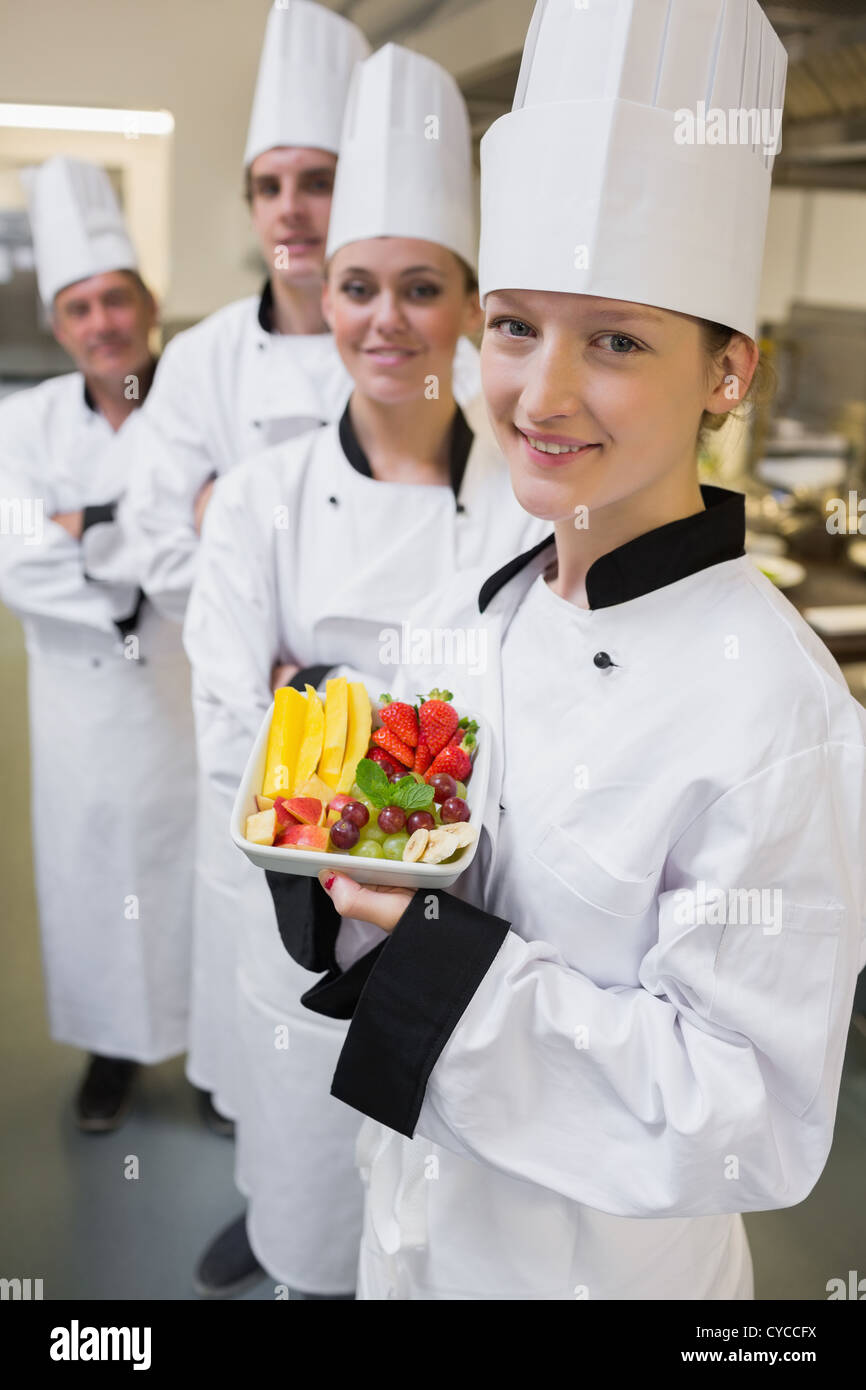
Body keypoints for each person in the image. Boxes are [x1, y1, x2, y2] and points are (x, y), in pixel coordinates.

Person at [268, 0, 866, 1299]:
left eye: (614, 340)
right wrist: (348, 854)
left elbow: (747, 1113)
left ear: (728, 374)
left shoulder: (777, 711)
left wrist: (430, 966)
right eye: (515, 324)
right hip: (419, 1212)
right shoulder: (507, 592)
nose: (537, 395)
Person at [183, 42, 550, 1299]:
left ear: (464, 303)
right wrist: (396, 747)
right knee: (301, 1156)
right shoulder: (261, 499)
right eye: (356, 287)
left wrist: (324, 707)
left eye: (419, 286)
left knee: (435, 1202)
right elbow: (235, 718)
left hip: (471, 907)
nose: (385, 320)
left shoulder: (528, 498)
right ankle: (290, 1258)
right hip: (297, 903)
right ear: (324, 300)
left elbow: (533, 717)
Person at [113, 0, 373, 1145]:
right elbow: (154, 524)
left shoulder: (425, 354)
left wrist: (238, 509)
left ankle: (346, 1222)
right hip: (246, 726)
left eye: (315, 180)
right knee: (255, 964)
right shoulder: (208, 358)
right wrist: (240, 625)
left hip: (390, 732)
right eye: (269, 185)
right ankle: (272, 1195)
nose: (291, 208)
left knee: (373, 973)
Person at [0, 157, 196, 1131]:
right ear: (59, 325)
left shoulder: (196, 411)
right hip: (80, 706)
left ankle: (212, 1062)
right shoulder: (22, 423)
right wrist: (140, 549)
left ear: (147, 303)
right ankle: (108, 1054)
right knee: (93, 880)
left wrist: (90, 525)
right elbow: (17, 561)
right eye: (79, 307)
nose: (102, 323)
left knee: (193, 877)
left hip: (189, 698)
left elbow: (214, 549)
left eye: (115, 299)